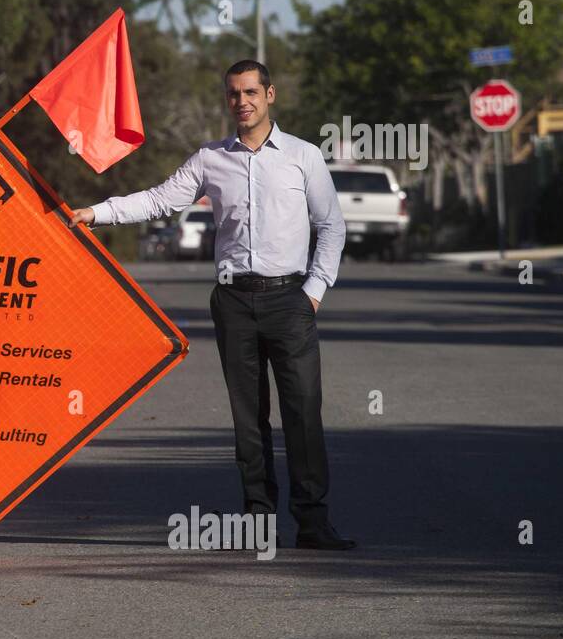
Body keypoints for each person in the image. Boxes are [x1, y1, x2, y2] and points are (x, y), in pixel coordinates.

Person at [70, 60, 355, 550]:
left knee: (303, 413)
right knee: (249, 419)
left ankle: (313, 522)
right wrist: (96, 213)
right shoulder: (210, 159)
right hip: (233, 302)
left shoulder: (303, 157)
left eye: (250, 92)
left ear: (270, 94)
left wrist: (314, 291)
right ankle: (259, 521)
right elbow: (160, 200)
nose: (241, 101)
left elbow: (331, 226)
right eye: (233, 94)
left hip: (290, 300)